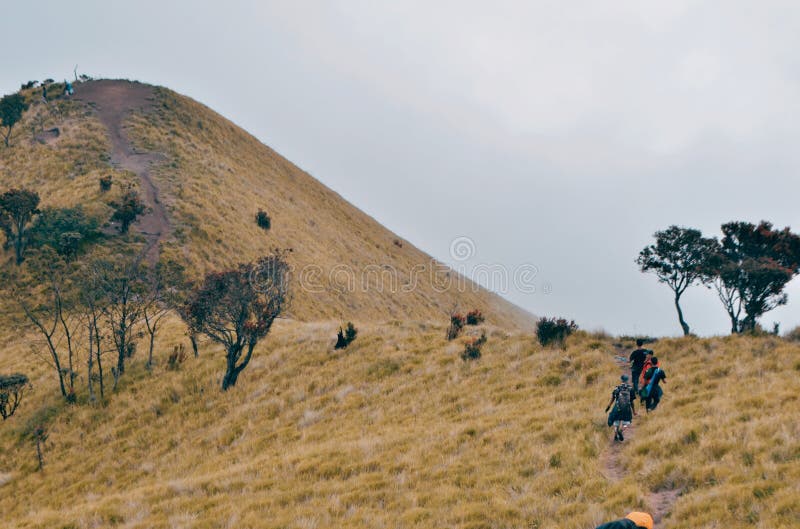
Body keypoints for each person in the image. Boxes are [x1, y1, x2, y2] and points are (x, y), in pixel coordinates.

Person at [605, 374, 636, 441]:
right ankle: (621, 430)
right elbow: (632, 402)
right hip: (626, 409)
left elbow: (612, 399)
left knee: (616, 423)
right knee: (626, 423)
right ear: (627, 380)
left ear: (621, 380)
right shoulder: (630, 389)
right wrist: (633, 411)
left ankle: (615, 436)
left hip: (617, 408)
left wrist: (608, 407)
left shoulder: (617, 388)